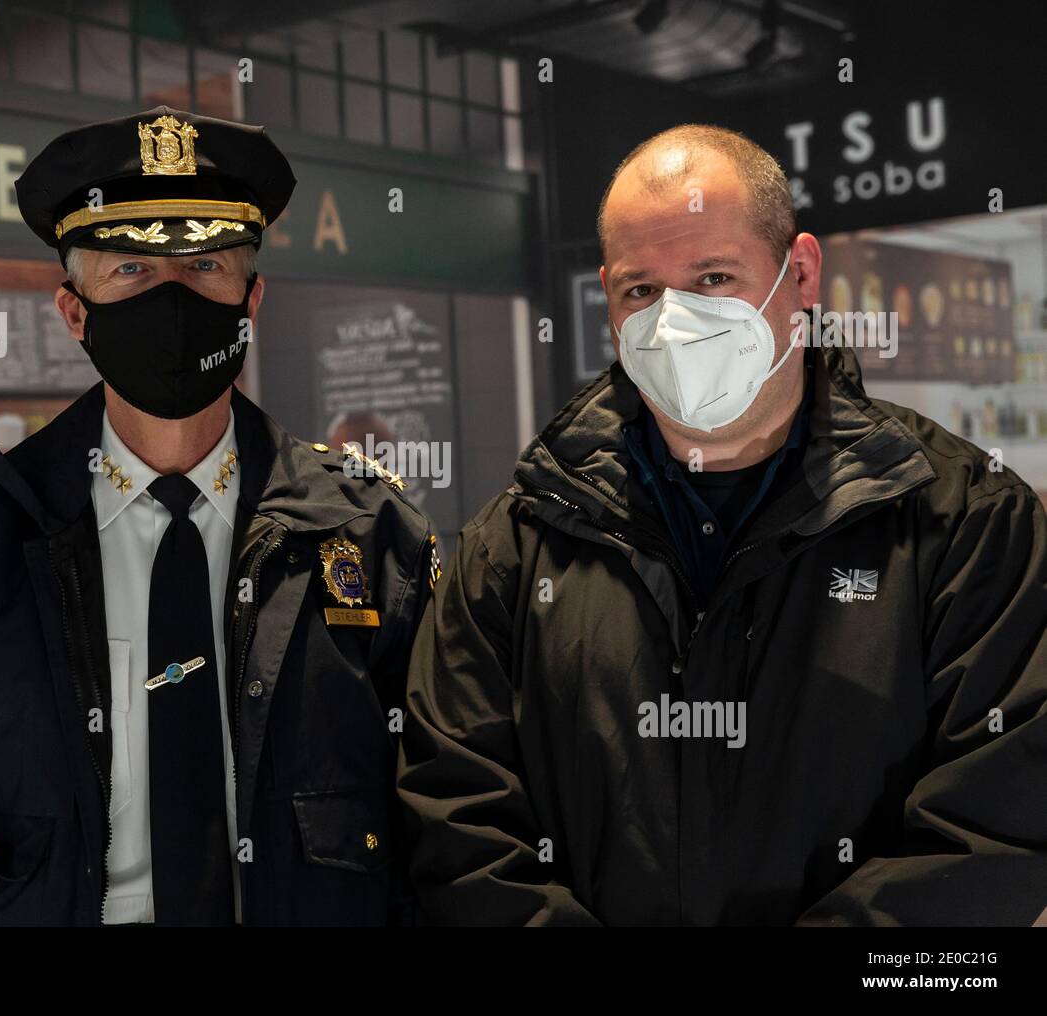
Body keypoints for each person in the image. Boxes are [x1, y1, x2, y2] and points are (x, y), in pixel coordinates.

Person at [0, 107, 435, 926]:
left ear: (252, 298)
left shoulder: (369, 535)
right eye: (130, 271)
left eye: (204, 267)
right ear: (74, 312)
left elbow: (442, 830)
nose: (172, 297)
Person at [397, 124, 1047, 926]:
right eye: (642, 291)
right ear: (608, 298)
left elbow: (997, 824)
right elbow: (456, 818)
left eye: (713, 277)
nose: (676, 322)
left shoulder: (962, 521)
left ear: (800, 274)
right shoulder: (517, 543)